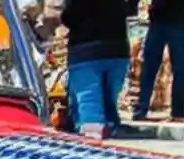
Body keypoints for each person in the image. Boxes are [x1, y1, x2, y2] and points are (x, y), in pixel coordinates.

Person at [41, 0, 137, 138]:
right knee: (109, 97)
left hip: (85, 50)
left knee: (89, 100)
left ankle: (93, 132)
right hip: (118, 48)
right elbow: (130, 8)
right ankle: (111, 125)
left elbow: (69, 16)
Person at [132, 0, 184, 121]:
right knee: (179, 70)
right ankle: (177, 111)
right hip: (176, 20)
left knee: (151, 68)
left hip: (164, 20)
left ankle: (142, 108)